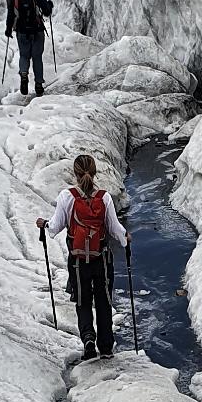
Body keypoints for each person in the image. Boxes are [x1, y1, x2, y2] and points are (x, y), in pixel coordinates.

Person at [38, 154, 128, 360]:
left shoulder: (66, 197)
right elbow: (114, 229)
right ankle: (105, 346)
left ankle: (88, 338)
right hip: (102, 259)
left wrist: (44, 224)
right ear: (94, 173)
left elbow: (55, 227)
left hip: (78, 261)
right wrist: (126, 238)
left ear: (75, 173)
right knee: (104, 301)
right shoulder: (104, 198)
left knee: (83, 301)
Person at [7, 0, 53, 96]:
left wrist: (8, 29)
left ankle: (24, 76)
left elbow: (11, 13)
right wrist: (49, 4)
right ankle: (38, 85)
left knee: (24, 55)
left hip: (21, 30)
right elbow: (46, 12)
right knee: (37, 57)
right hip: (37, 30)